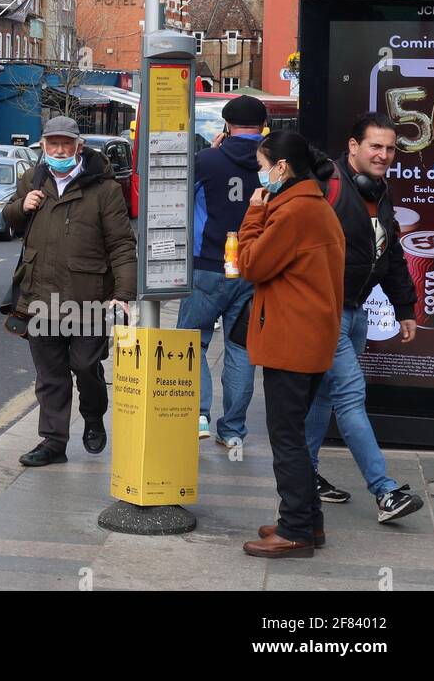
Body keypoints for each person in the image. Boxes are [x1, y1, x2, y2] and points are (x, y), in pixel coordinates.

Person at [307, 112, 424, 523]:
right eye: (376, 146)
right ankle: (385, 491)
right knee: (351, 396)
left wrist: (404, 307)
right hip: (327, 311)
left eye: (390, 148)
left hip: (355, 310)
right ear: (354, 146)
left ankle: (304, 475)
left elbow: (390, 253)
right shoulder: (328, 187)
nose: (384, 155)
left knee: (325, 394)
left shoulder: (380, 190)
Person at [3, 116, 137, 467]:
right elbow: (10, 219)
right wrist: (22, 206)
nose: (59, 150)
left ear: (79, 147)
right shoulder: (32, 180)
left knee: (86, 365)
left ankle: (92, 417)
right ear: (43, 146)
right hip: (40, 295)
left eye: (66, 144)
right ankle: (53, 442)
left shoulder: (104, 189)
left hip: (88, 297)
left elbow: (122, 244)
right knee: (50, 374)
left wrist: (123, 293)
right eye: (53, 144)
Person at [237, 131, 344, 558]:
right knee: (293, 433)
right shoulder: (312, 205)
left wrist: (253, 214)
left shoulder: (293, 211)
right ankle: (307, 521)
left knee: (285, 437)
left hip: (293, 340)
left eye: (263, 166)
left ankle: (296, 528)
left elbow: (250, 264)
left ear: (281, 167)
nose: (260, 174)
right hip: (308, 337)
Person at [176, 94, 264, 446]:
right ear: (263, 126)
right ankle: (232, 431)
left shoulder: (208, 159)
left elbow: (180, 198)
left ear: (227, 126)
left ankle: (198, 415)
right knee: (242, 351)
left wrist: (210, 154)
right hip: (253, 270)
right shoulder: (274, 163)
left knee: (192, 342)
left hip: (208, 269)